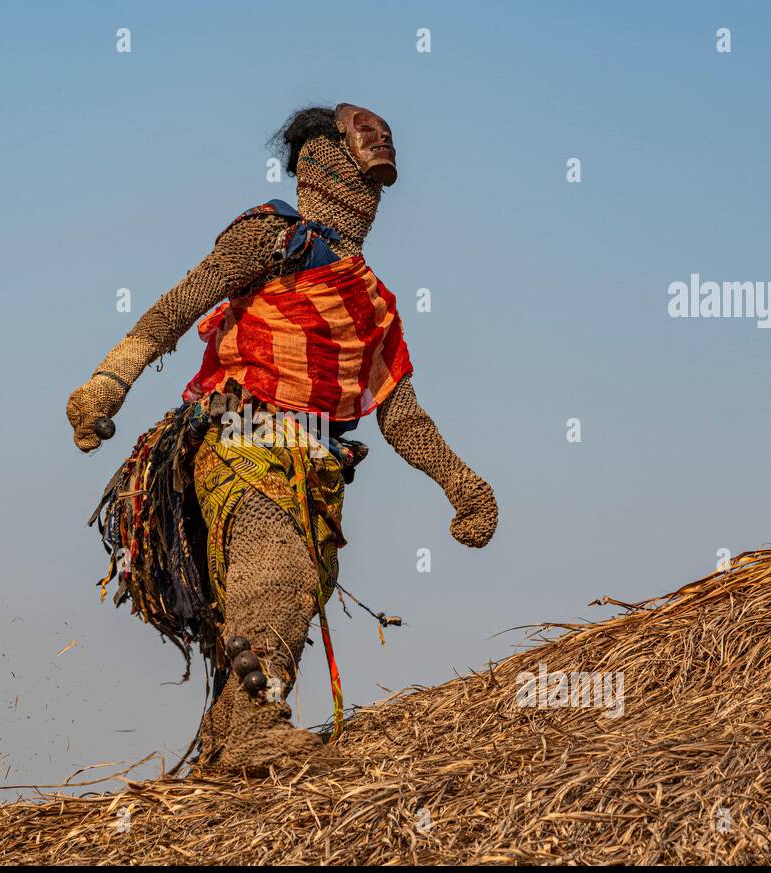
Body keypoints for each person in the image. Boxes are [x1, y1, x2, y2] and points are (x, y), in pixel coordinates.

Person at [67, 103, 498, 772]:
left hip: (316, 469)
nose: (368, 196)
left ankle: (226, 743)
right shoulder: (271, 239)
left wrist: (463, 485)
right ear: (323, 168)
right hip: (242, 439)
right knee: (281, 577)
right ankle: (257, 730)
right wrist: (107, 383)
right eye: (361, 175)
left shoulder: (371, 301)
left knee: (280, 600)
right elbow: (182, 303)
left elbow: (401, 413)